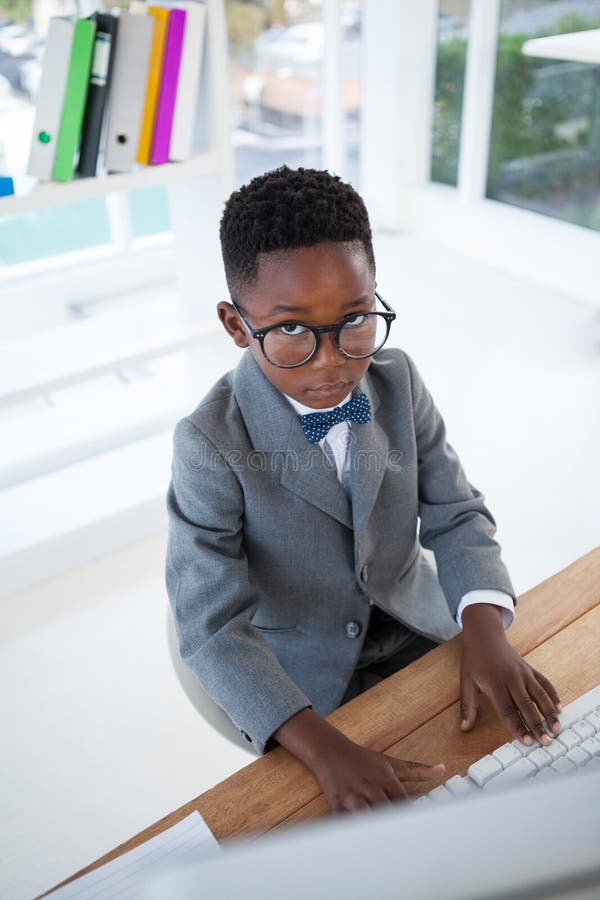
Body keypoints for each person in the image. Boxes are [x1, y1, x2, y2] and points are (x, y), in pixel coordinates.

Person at [165, 166, 562, 814]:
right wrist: (323, 749)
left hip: (415, 623)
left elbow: (457, 513)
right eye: (291, 329)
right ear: (237, 326)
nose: (332, 361)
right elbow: (210, 628)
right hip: (305, 674)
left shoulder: (397, 381)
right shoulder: (209, 444)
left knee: (511, 762)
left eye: (355, 319)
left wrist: (486, 628)